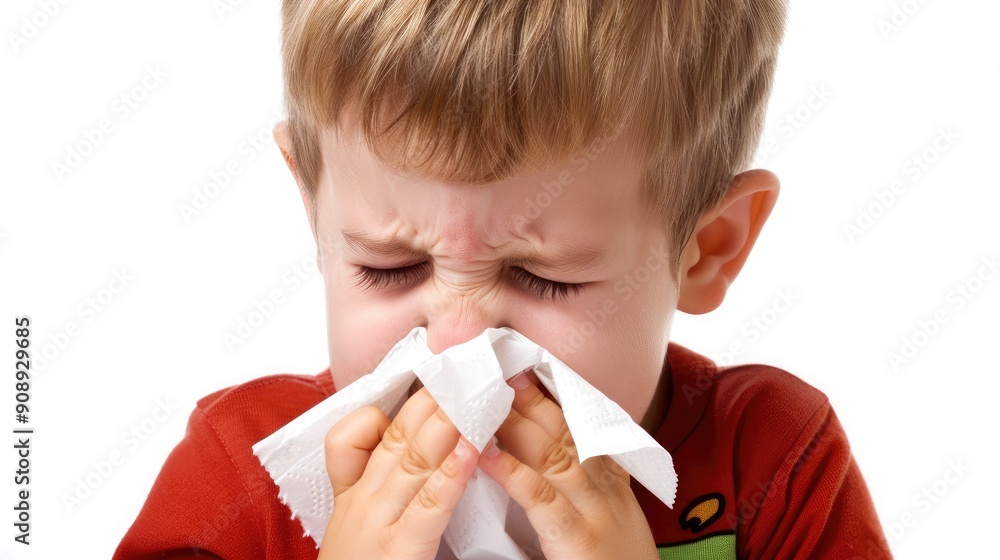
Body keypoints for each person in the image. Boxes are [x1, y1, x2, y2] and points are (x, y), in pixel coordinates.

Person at [114, 0, 893, 558]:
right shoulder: (243, 475)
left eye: (541, 278)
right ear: (315, 212)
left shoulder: (775, 468)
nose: (459, 342)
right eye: (392, 268)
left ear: (707, 247)